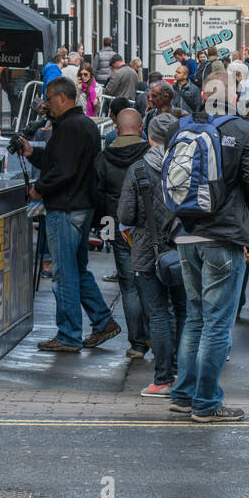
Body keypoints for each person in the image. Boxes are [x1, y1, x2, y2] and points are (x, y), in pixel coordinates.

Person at [162, 72, 249, 423]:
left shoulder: (182, 126)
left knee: (194, 319)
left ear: (205, 94)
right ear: (233, 94)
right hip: (223, 236)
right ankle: (206, 403)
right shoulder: (242, 130)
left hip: (186, 234)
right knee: (218, 325)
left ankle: (183, 394)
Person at [18, 77, 121, 352]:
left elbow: (63, 171)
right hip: (81, 207)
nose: (46, 103)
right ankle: (102, 321)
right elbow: (62, 163)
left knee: (63, 274)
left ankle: (68, 334)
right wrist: (31, 154)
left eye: (49, 98)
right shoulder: (83, 124)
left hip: (66, 209)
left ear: (62, 98)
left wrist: (38, 190)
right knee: (78, 270)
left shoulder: (70, 128)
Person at [119, 111, 189, 398]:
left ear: (149, 137)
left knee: (158, 314)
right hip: (184, 248)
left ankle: (163, 379)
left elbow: (125, 214)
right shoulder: (187, 166)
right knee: (185, 313)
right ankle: (184, 375)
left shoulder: (138, 170)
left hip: (148, 251)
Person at [95, 108, 152, 359]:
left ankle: (137, 344)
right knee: (151, 282)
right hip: (149, 226)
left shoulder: (104, 157)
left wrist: (102, 224)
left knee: (128, 285)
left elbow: (97, 194)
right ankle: (156, 335)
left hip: (119, 226)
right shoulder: (151, 155)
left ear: (116, 130)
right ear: (141, 129)